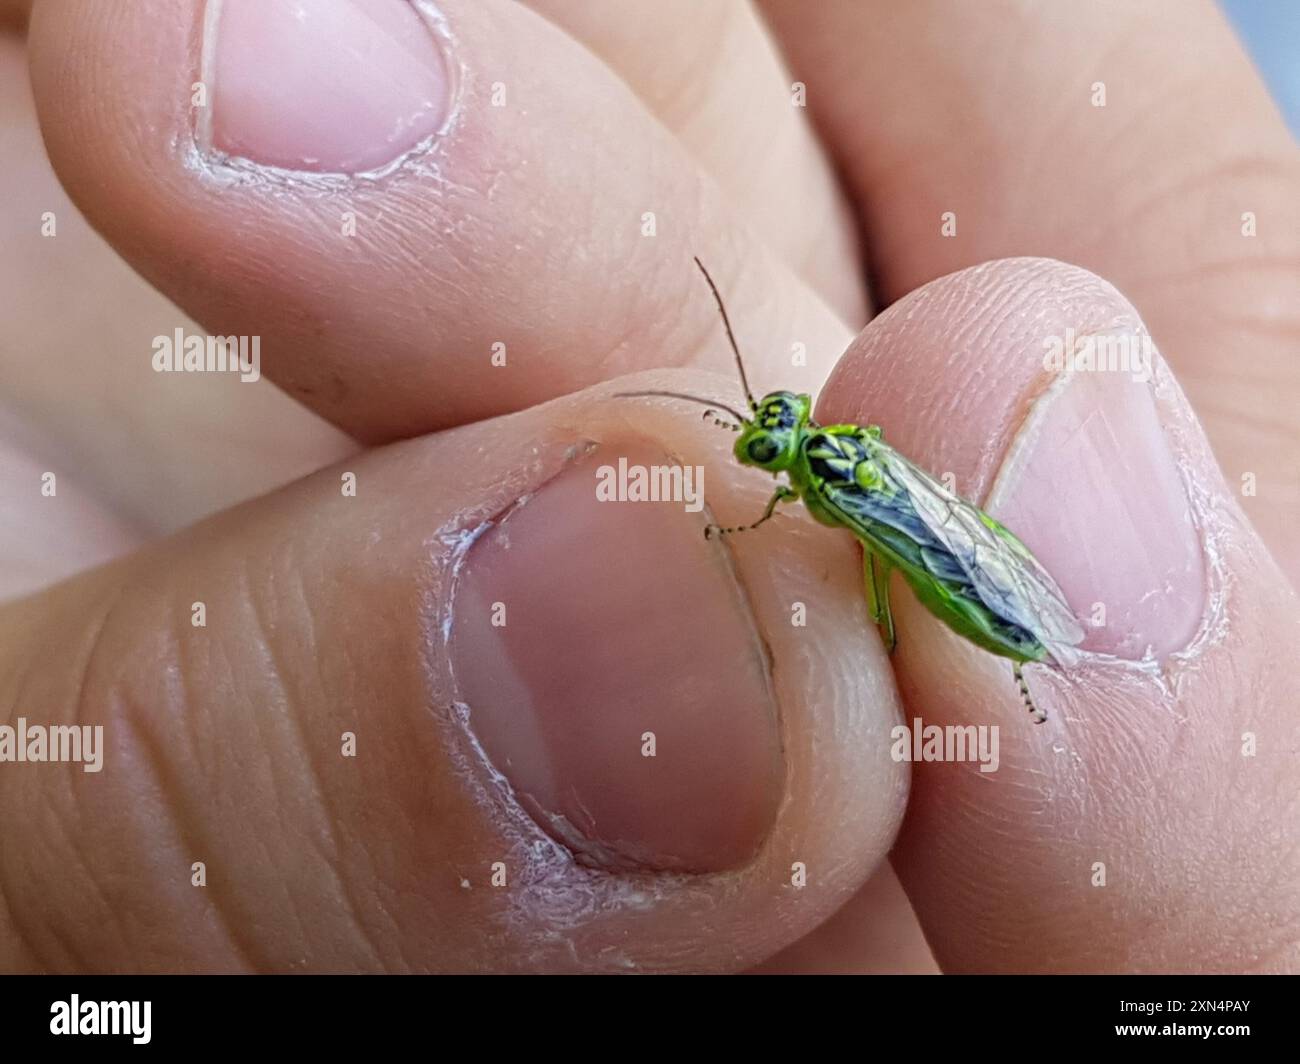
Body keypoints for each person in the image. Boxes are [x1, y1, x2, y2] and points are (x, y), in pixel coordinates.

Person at [0, 0, 1296, 974]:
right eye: (775, 431)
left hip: (956, 577)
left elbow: (875, 537)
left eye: (775, 437)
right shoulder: (815, 473)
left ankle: (1026, 656)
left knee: (920, 570)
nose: (770, 437)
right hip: (932, 584)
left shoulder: (821, 483)